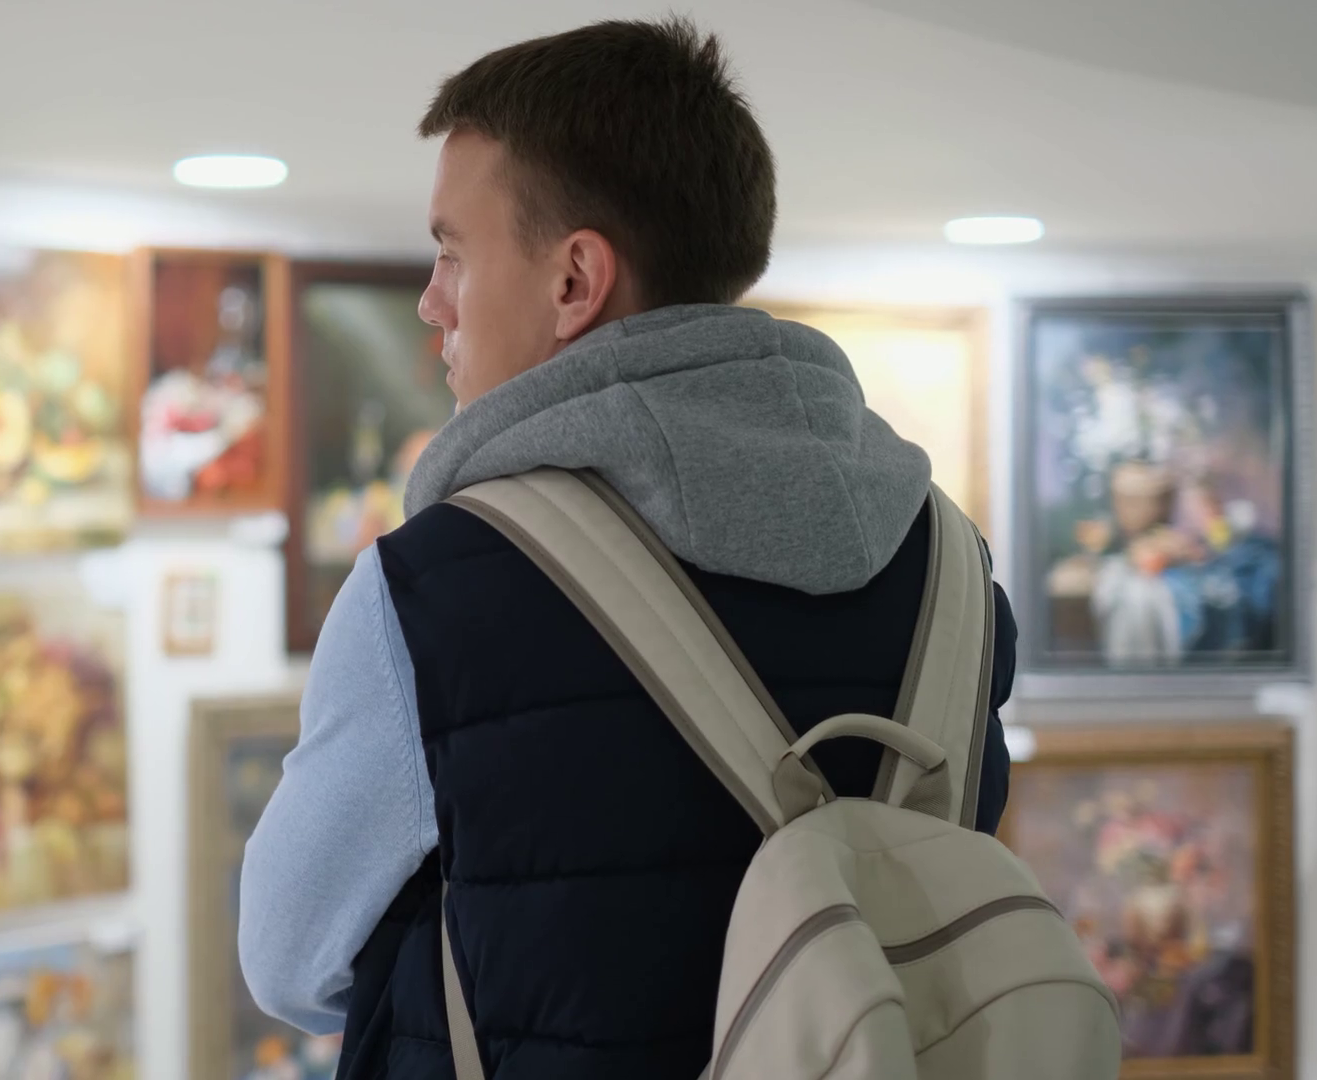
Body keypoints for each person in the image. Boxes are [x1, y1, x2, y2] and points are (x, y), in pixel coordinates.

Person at [239, 16, 1017, 1079]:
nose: (432, 301)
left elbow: (288, 963)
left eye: (452, 252)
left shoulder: (429, 593)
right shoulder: (955, 572)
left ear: (574, 282)